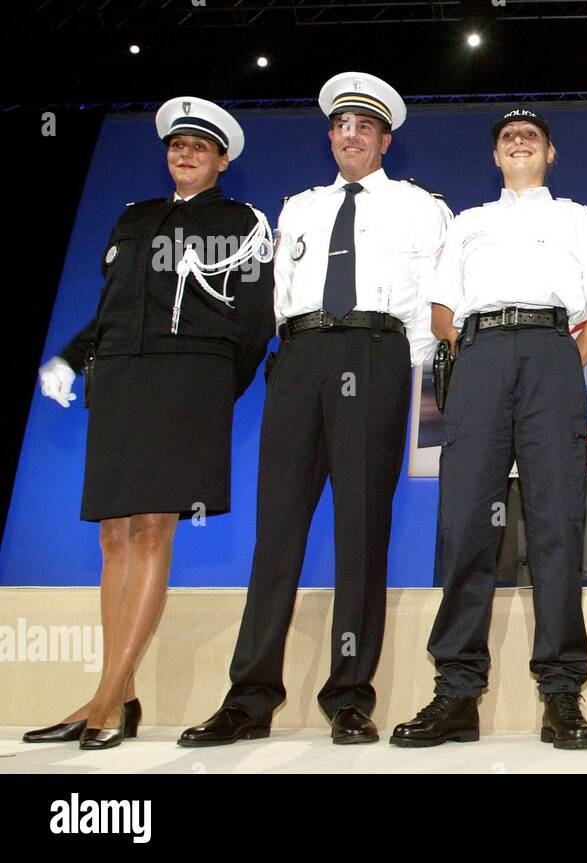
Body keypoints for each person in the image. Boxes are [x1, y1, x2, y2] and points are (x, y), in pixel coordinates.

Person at [180, 72, 453, 747]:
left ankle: (350, 698)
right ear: (330, 136)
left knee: (362, 533)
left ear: (386, 139)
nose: (350, 135)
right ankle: (249, 697)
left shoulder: (422, 207)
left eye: (364, 126)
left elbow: (435, 297)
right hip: (299, 359)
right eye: (340, 125)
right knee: (277, 533)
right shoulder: (297, 208)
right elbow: (277, 292)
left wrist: (392, 359)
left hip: (377, 353)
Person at [27, 97, 275, 750]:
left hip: (186, 382)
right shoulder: (133, 219)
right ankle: (121, 693)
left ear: (223, 159)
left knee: (151, 529)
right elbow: (113, 307)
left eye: (200, 145)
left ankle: (103, 704)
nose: (186, 152)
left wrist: (213, 390)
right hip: (122, 381)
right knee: (114, 534)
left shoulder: (243, 222)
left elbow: (255, 323)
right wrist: (72, 358)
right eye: (177, 144)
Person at [390, 107, 587, 750]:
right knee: (465, 523)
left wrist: (562, 360)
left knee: (557, 525)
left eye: (531, 136)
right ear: (495, 156)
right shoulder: (468, 223)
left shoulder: (577, 218)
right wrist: (475, 352)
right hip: (481, 354)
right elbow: (440, 310)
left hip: (552, 350)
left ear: (550, 153)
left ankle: (561, 695)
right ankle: (456, 694)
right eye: (507, 137)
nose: (518, 142)